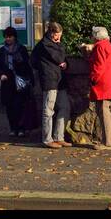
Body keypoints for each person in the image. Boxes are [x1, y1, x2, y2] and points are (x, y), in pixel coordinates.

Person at [82, 26, 111, 150]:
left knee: (103, 111)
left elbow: (98, 66)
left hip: (102, 83)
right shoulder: (108, 46)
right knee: (103, 110)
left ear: (96, 36)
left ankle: (108, 143)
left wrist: (92, 79)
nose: (91, 37)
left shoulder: (100, 47)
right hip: (108, 82)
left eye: (92, 35)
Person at [34, 21, 71, 149]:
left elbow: (62, 58)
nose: (59, 38)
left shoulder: (55, 43)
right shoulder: (45, 44)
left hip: (60, 80)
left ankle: (58, 137)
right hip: (50, 80)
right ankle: (47, 139)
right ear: (51, 33)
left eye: (60, 35)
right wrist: (45, 69)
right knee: (48, 110)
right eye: (57, 35)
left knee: (64, 107)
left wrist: (64, 63)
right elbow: (59, 57)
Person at [0, 27, 32, 138]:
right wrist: (1, 74)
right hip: (7, 81)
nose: (8, 39)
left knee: (20, 105)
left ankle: (21, 128)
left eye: (10, 37)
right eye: (6, 37)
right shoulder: (2, 51)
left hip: (19, 80)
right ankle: (13, 128)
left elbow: (27, 65)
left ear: (14, 37)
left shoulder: (21, 49)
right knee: (9, 106)